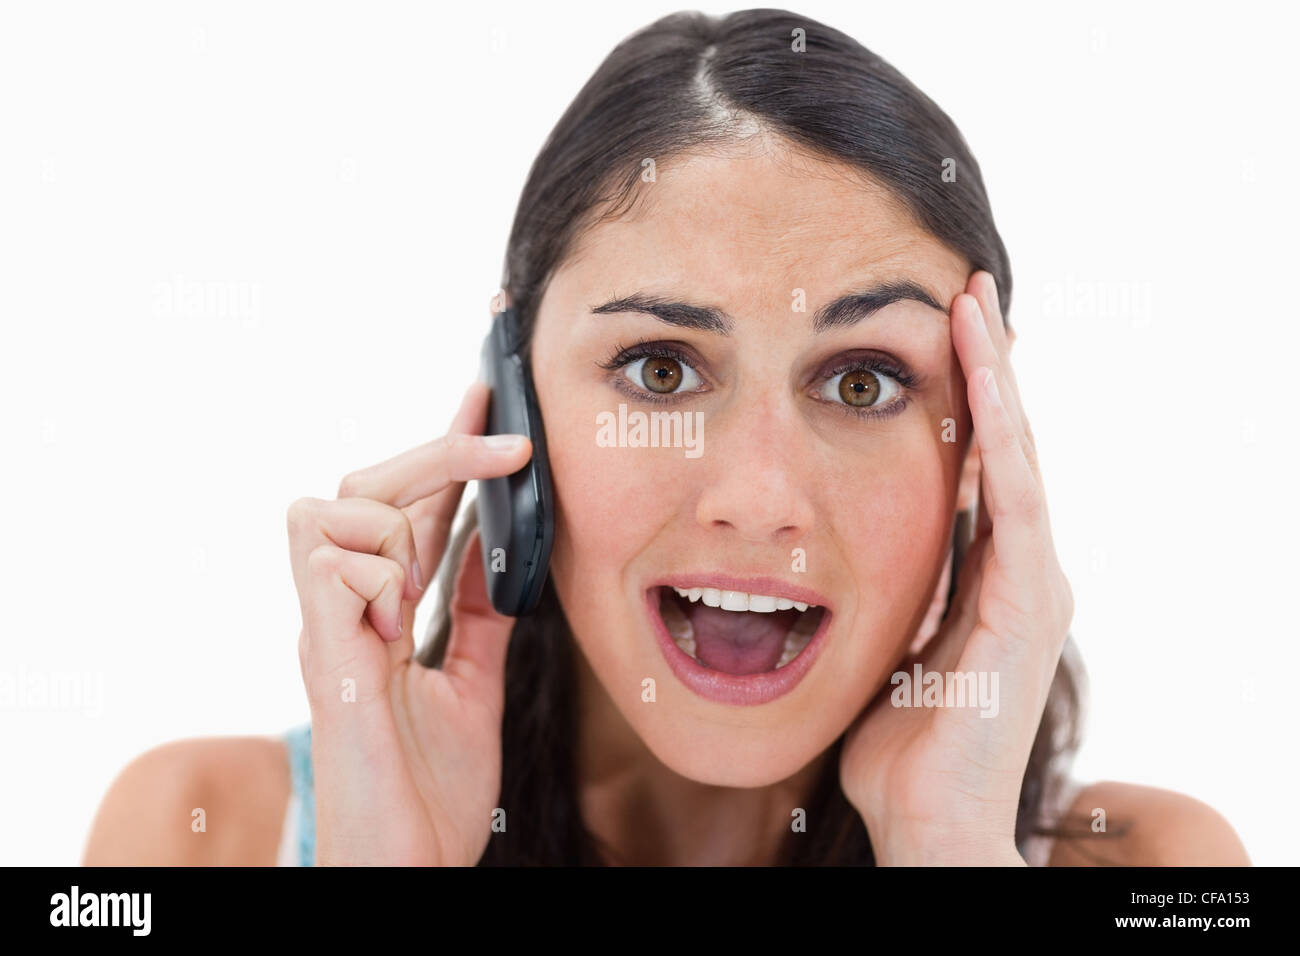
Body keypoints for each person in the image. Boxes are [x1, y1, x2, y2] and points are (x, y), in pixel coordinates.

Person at [83, 8, 1249, 866]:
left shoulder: (1155, 868)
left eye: (860, 381)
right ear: (513, 399)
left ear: (979, 450)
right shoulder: (199, 830)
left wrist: (942, 842)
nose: (758, 496)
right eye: (659, 369)